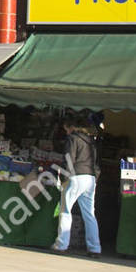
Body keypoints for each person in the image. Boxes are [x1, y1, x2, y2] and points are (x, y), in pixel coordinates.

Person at [53, 110, 103, 257]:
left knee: (65, 211)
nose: (66, 132)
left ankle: (61, 245)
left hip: (75, 176)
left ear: (71, 127)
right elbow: (96, 163)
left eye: (66, 129)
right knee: (89, 214)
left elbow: (69, 159)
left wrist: (64, 179)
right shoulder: (91, 140)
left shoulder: (72, 139)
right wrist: (95, 177)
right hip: (90, 178)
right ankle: (95, 248)